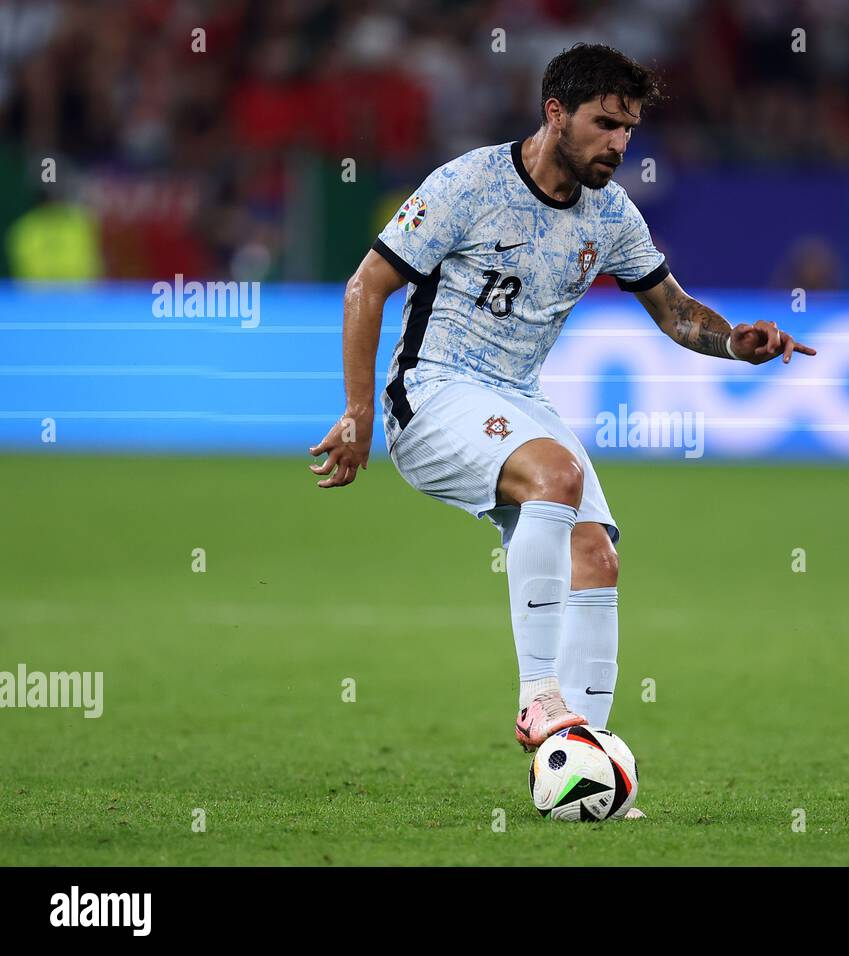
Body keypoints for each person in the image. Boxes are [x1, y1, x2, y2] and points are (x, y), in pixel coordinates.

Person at [309, 43, 815, 754]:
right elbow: (367, 287)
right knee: (556, 473)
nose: (620, 143)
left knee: (595, 555)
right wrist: (359, 414)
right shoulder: (471, 184)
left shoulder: (610, 217)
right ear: (556, 113)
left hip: (517, 397)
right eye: (606, 124)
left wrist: (734, 342)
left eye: (630, 129)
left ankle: (583, 761)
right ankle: (538, 701)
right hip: (431, 391)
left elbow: (673, 312)